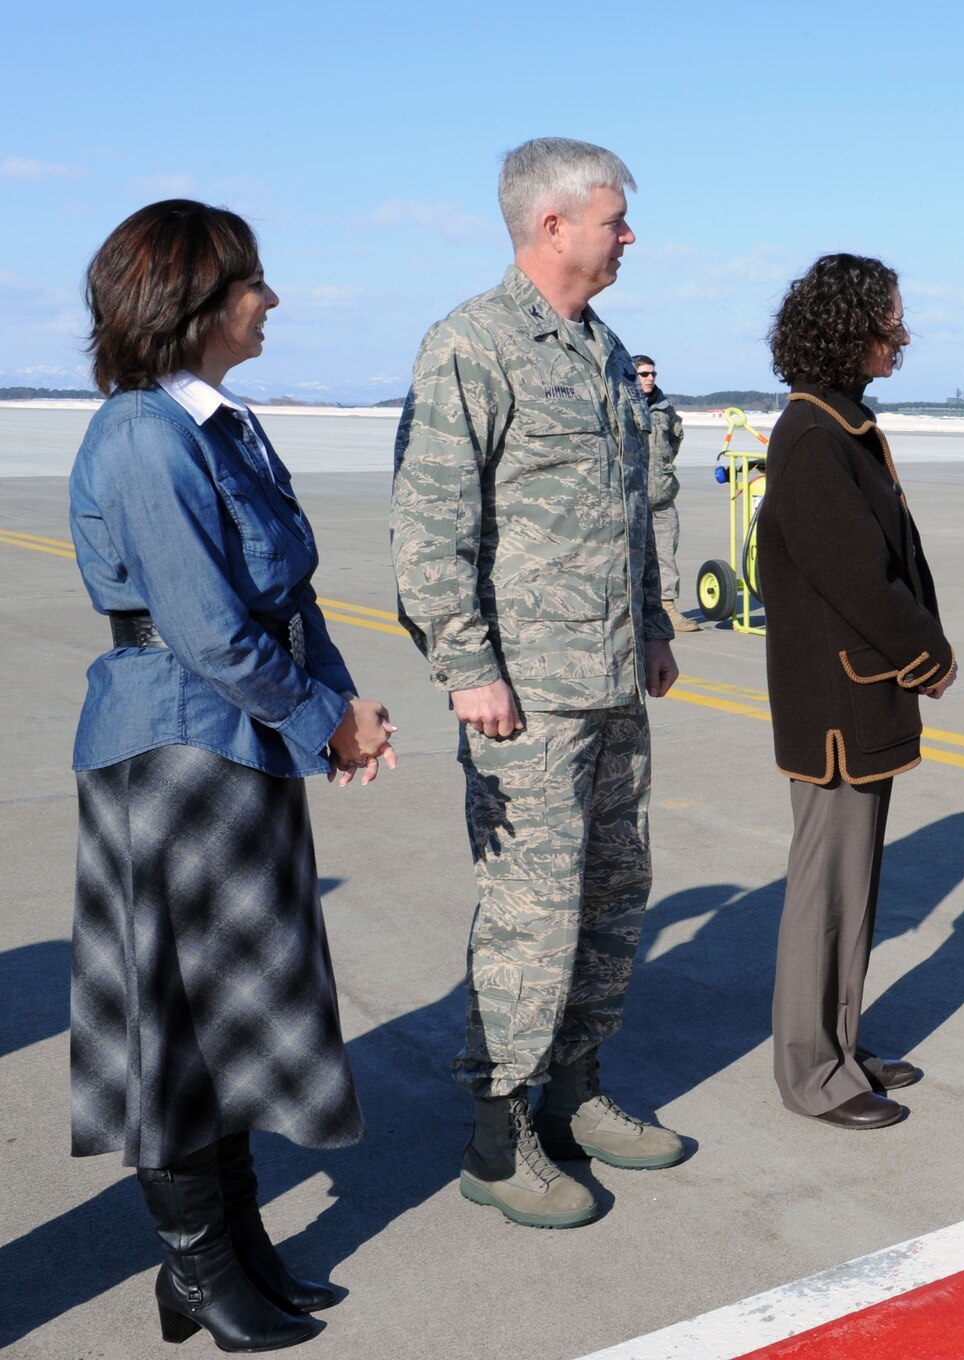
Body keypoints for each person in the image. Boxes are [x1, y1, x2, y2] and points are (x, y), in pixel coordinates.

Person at [68, 199, 396, 1350]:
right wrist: (322, 720)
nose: (271, 298)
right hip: (173, 751)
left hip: (237, 741)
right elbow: (208, 629)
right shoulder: (145, 437)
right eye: (252, 281)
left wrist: (343, 707)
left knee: (229, 1015)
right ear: (192, 302)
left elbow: (287, 597)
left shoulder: (225, 423)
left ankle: (238, 1242)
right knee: (180, 1020)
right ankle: (198, 1263)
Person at [391, 137, 683, 1230]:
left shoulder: (601, 348)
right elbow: (429, 523)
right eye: (614, 217)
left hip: (610, 681)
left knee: (611, 894)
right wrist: (467, 667)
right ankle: (497, 1133)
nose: (628, 236)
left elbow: (628, 507)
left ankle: (574, 1086)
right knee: (530, 910)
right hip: (525, 694)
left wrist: (652, 622)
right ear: (550, 225)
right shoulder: (472, 344)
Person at [759, 254, 952, 1130]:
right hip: (837, 703)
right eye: (890, 319)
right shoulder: (811, 435)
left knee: (854, 887)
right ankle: (812, 1072)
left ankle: (840, 1044)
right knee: (826, 890)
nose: (901, 335)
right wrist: (927, 653)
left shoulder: (842, 423)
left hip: (858, 695)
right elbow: (859, 578)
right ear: (850, 327)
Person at [632, 354, 698, 633]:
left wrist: (663, 470)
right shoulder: (622, 403)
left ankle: (668, 608)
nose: (650, 379)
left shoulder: (664, 407)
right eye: (644, 374)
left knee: (666, 557)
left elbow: (675, 438)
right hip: (631, 499)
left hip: (662, 498)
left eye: (653, 374)